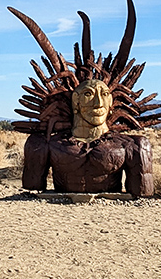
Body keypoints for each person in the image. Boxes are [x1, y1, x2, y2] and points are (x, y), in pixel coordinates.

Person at [22, 78, 154, 196]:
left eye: (105, 94)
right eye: (88, 94)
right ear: (75, 101)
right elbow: (32, 186)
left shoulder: (134, 146)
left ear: (111, 102)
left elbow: (142, 190)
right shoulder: (45, 145)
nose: (98, 103)